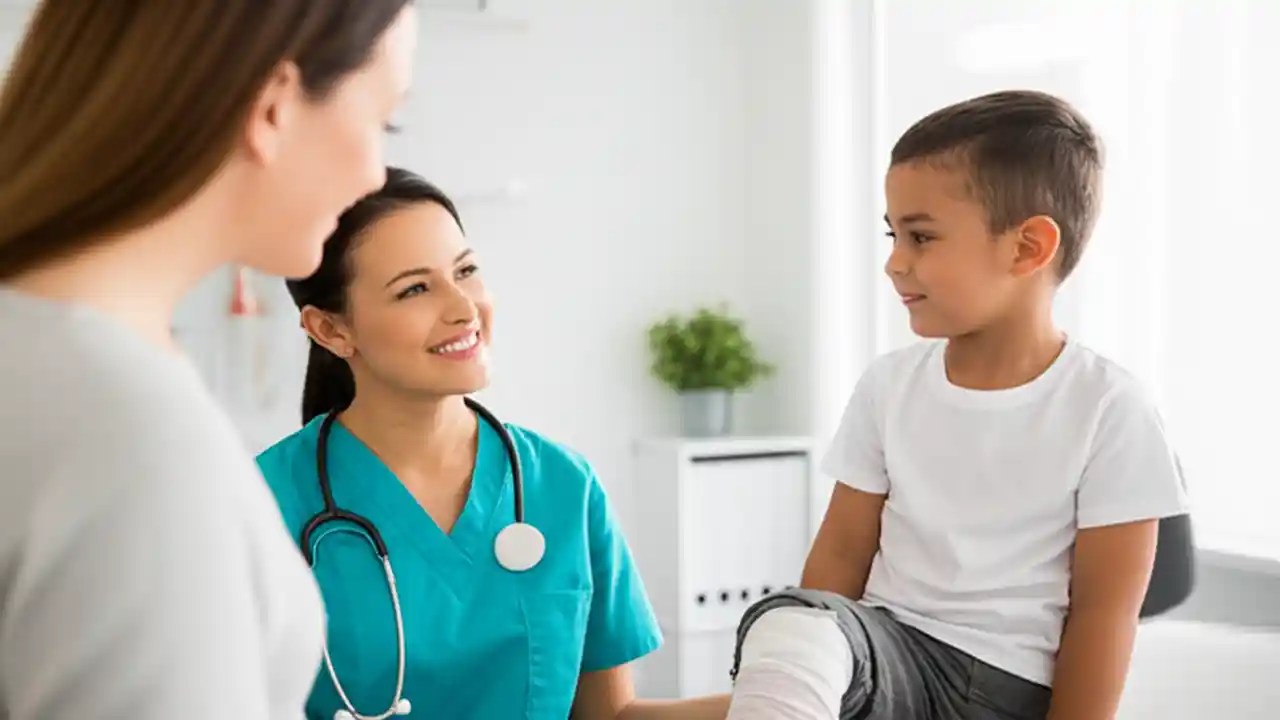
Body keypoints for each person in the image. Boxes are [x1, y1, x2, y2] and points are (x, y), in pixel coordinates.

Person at [0, 1, 417, 716]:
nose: (377, 177)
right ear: (275, 106)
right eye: (386, 120)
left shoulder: (49, 356)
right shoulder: (131, 434)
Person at [722, 90, 1188, 719]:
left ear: (1026, 248)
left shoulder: (1109, 407)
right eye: (893, 235)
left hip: (1004, 687)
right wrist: (810, 654)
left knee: (793, 639)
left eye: (920, 237)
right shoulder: (888, 386)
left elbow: (1104, 616)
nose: (893, 263)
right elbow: (838, 557)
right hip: (888, 659)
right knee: (793, 624)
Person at [257, 167, 732, 720]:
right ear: (331, 330)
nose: (464, 308)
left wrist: (785, 702)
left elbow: (609, 716)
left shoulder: (561, 485)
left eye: (466, 270)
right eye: (414, 288)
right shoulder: (264, 502)